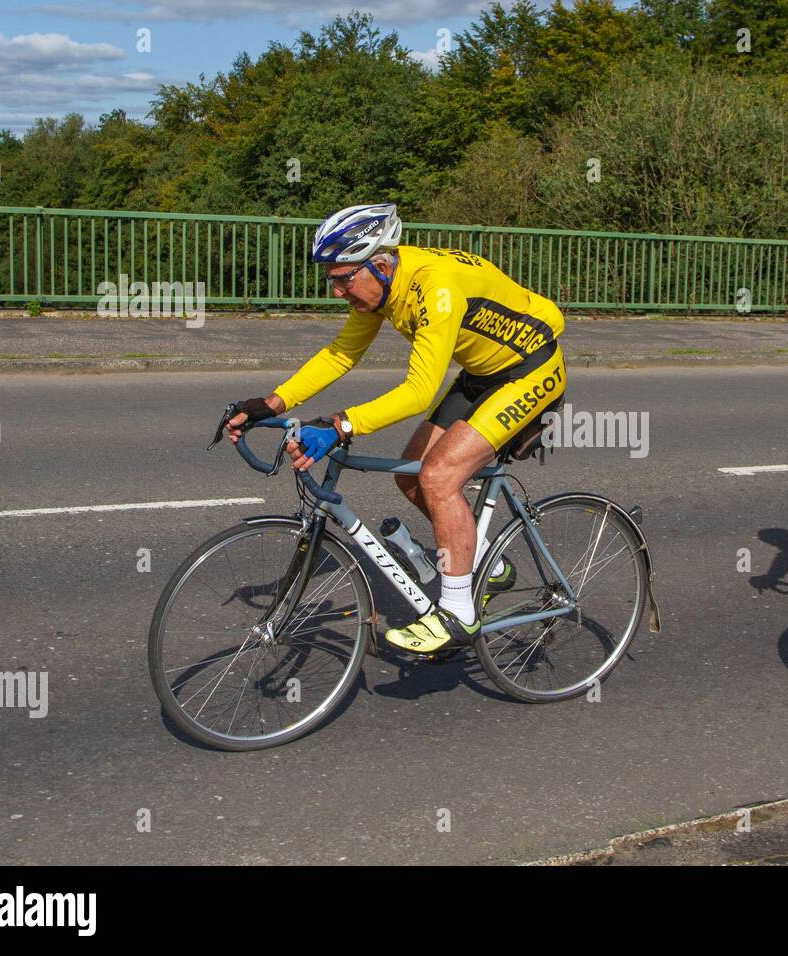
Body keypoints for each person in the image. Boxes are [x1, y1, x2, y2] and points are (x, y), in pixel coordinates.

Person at [224, 203, 567, 652]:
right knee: (410, 476)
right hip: (481, 374)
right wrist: (270, 403)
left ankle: (459, 615)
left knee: (439, 477)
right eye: (331, 279)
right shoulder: (381, 287)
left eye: (344, 278)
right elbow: (341, 354)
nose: (337, 291)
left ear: (381, 265)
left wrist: (342, 425)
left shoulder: (434, 288)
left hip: (529, 370)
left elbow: (420, 390)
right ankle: (488, 565)